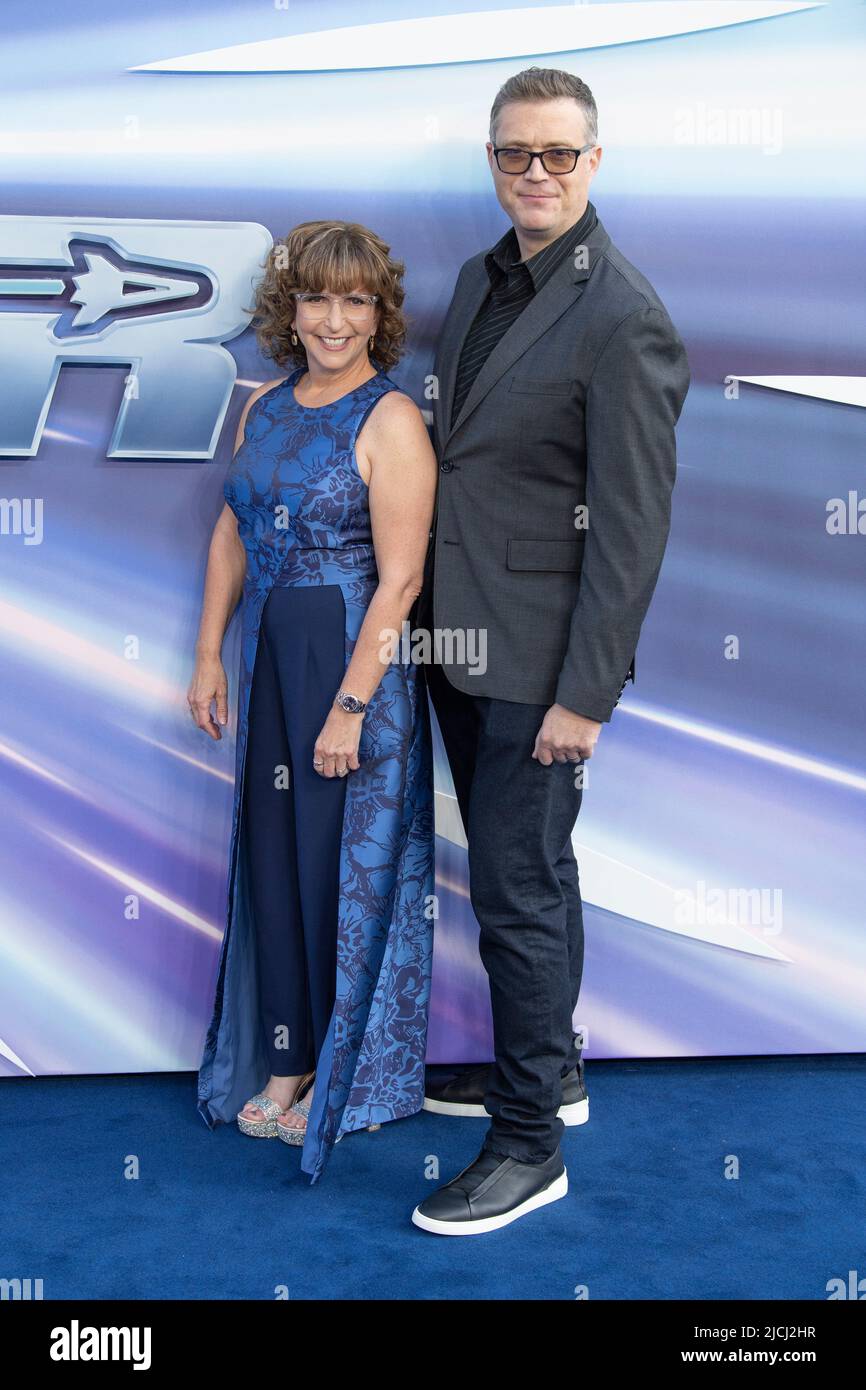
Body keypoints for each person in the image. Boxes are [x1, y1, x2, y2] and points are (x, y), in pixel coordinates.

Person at [412, 67, 691, 1234]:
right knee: (536, 877)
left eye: (556, 155)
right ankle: (552, 1073)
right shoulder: (483, 278)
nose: (533, 171)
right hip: (457, 641)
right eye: (512, 153)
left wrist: (584, 696)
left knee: (516, 893)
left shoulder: (625, 315)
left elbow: (629, 531)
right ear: (491, 160)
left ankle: (529, 1144)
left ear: (593, 162)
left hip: (541, 671)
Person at [191, 220, 437, 1184]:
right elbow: (230, 531)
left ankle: (349, 1071)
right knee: (279, 865)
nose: (334, 320)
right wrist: (209, 654)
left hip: (346, 664)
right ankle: (289, 1059)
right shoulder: (265, 404)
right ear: (288, 309)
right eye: (316, 299)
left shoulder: (393, 420)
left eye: (355, 300)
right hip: (267, 660)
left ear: (380, 311)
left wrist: (349, 707)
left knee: (342, 875)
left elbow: (404, 581)